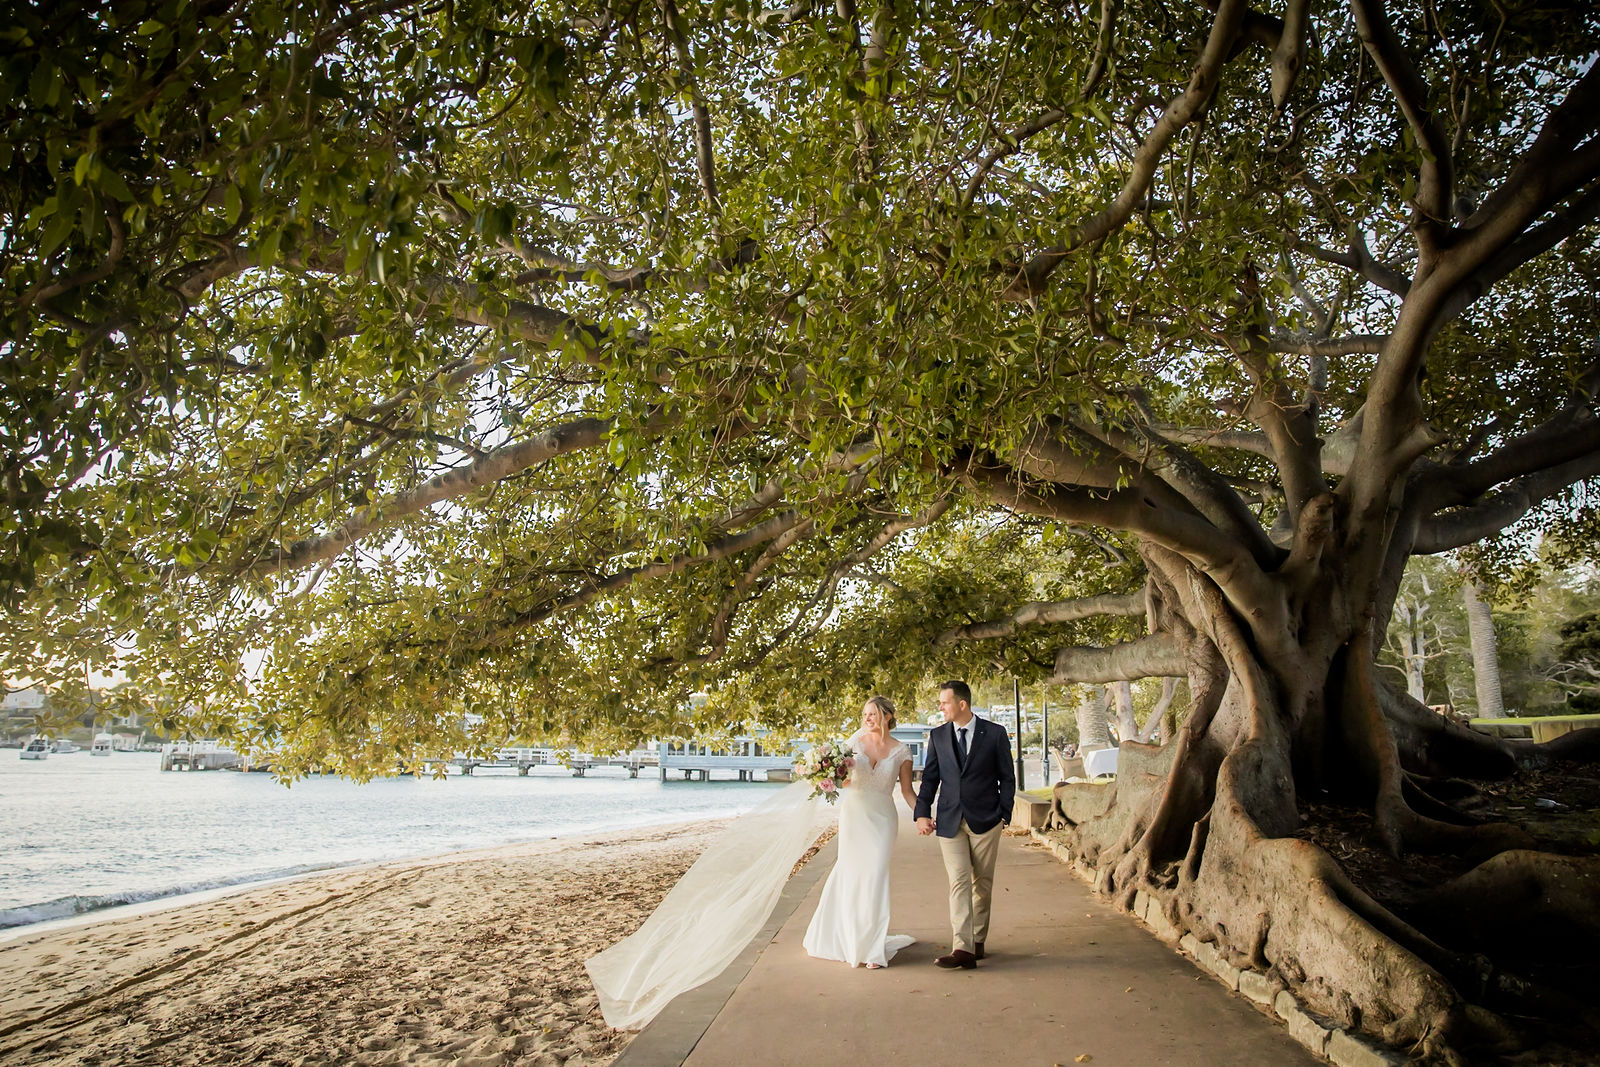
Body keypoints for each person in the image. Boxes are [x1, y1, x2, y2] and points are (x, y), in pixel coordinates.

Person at [802, 696, 918, 968]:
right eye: (864, 714)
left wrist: (923, 815)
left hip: (883, 819)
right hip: (855, 817)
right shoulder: (853, 744)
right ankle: (851, 938)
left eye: (872, 713)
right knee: (852, 875)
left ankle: (872, 947)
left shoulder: (902, 752)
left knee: (875, 877)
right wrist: (827, 775)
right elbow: (842, 781)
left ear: (887, 716)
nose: (867, 718)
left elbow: (907, 791)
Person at [914, 679, 1016, 969]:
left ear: (962, 704)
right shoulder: (938, 736)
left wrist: (1004, 814)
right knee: (958, 881)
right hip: (949, 820)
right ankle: (962, 947)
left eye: (944, 702)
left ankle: (977, 941)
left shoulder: (994, 733)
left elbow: (1007, 777)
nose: (940, 707)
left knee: (981, 883)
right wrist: (922, 813)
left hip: (987, 819)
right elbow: (930, 778)